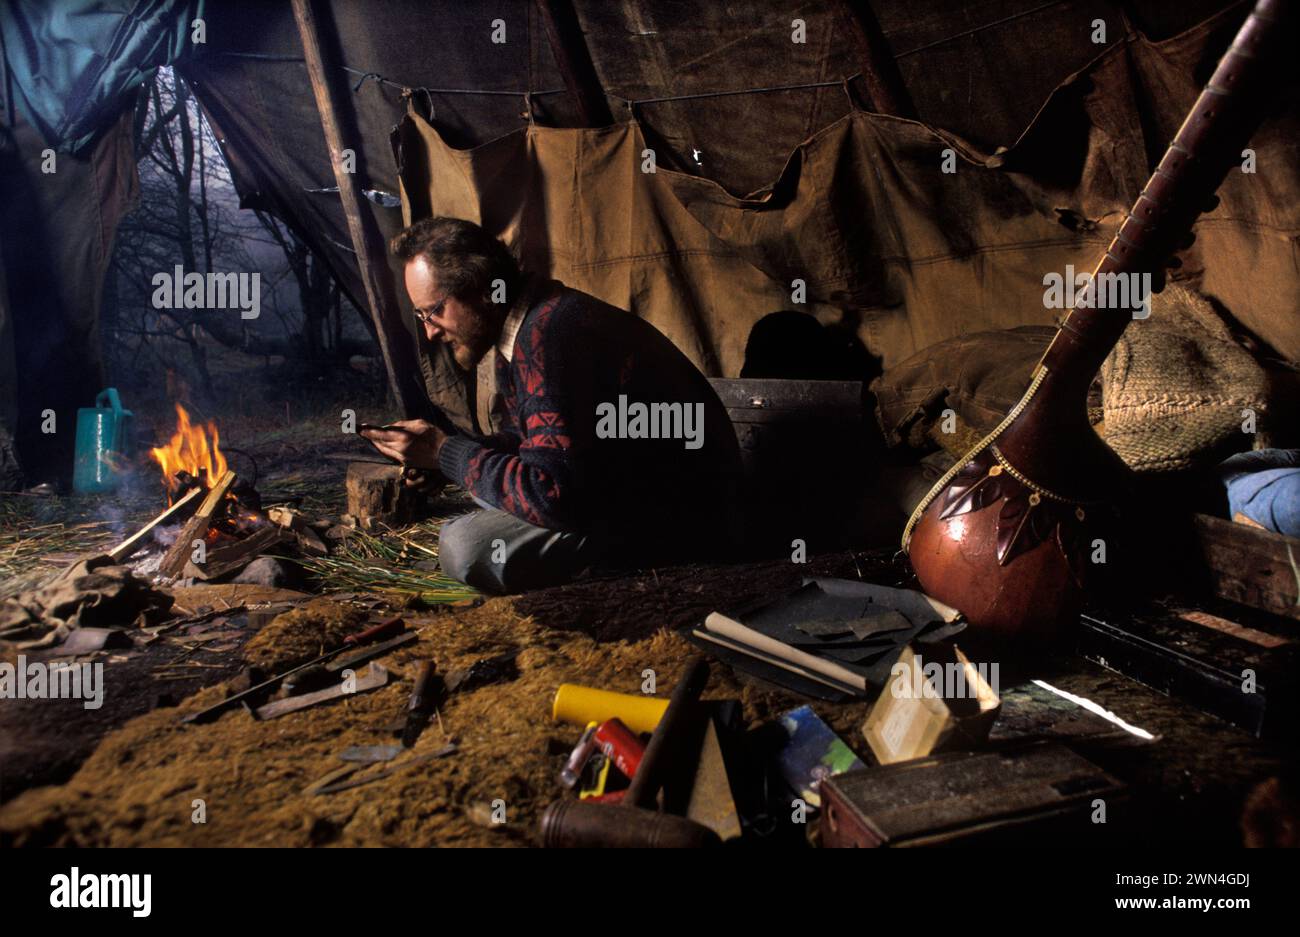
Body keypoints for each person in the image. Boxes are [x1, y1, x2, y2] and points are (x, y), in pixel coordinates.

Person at [362, 217, 742, 593]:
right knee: (479, 485)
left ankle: (616, 563)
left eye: (434, 311)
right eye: (422, 316)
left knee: (465, 548)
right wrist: (442, 462)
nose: (429, 330)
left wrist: (446, 451)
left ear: (481, 289)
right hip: (605, 482)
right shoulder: (524, 324)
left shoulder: (552, 337)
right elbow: (537, 443)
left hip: (678, 516)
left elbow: (552, 493)